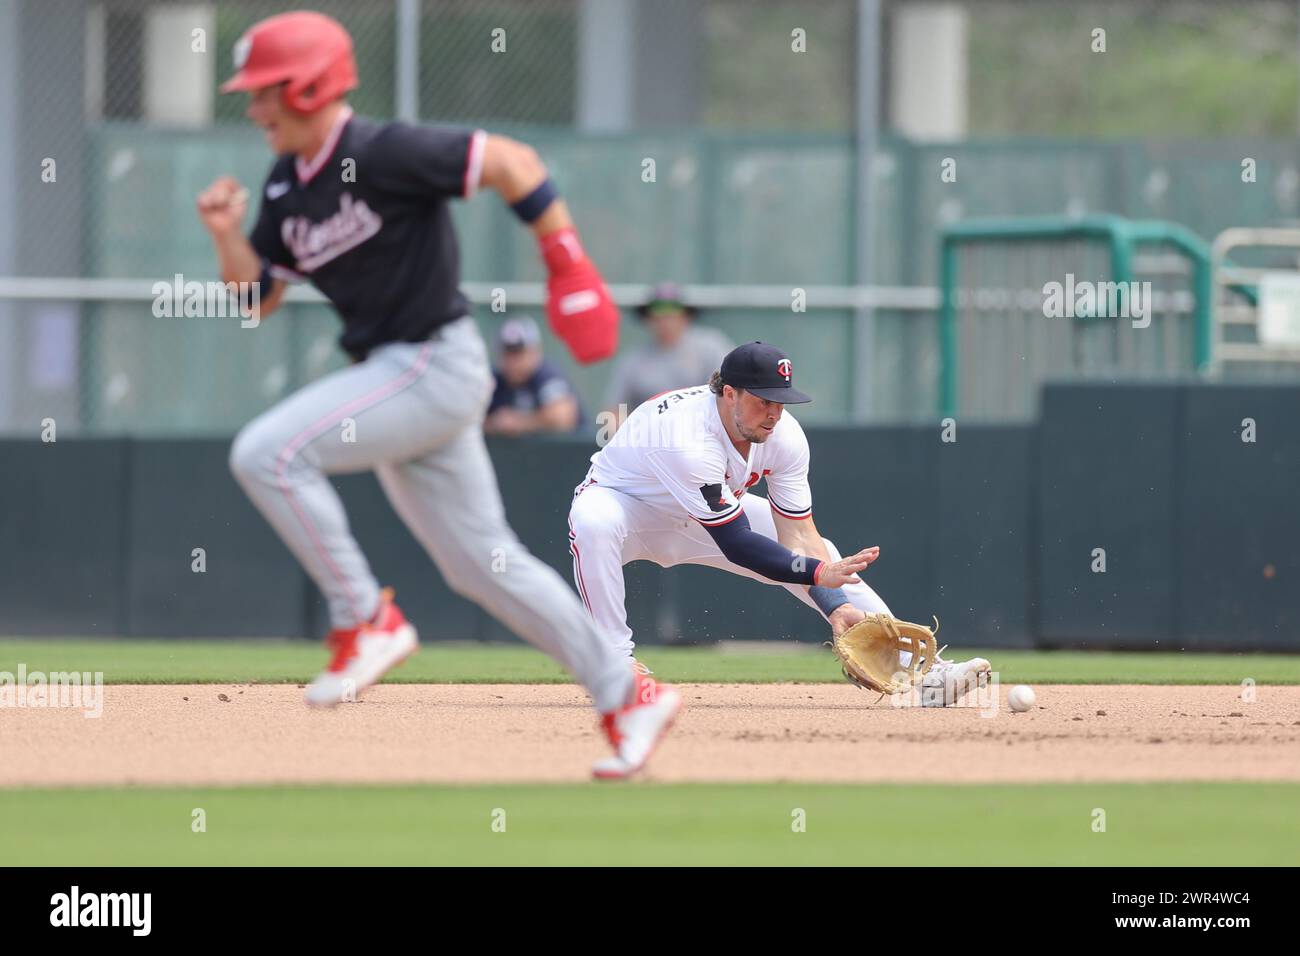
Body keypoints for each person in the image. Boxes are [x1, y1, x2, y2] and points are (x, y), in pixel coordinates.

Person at [195, 10, 677, 779]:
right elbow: (255, 296)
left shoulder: (380, 151)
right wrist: (225, 231)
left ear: (313, 87)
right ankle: (628, 692)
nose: (254, 109)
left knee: (267, 453)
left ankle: (364, 618)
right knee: (485, 566)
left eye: (266, 93)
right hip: (405, 379)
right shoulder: (288, 183)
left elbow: (511, 162)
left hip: (434, 362)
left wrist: (568, 263)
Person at [568, 341, 992, 705]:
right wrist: (818, 574)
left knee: (827, 552)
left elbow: (798, 538)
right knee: (594, 523)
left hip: (706, 515)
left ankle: (927, 676)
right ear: (729, 394)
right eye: (763, 401)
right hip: (629, 507)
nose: (774, 413)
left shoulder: (783, 437)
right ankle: (613, 667)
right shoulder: (685, 438)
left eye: (780, 401)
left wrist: (836, 604)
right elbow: (737, 545)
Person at [601, 281, 733, 421]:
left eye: (672, 313)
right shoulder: (633, 362)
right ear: (648, 319)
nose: (665, 321)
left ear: (686, 317)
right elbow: (612, 412)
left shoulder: (711, 347)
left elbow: (731, 393)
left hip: (705, 431)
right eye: (658, 315)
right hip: (652, 438)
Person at [484, 316, 583, 436]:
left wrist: (519, 422)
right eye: (508, 353)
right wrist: (494, 424)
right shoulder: (495, 379)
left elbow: (562, 417)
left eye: (519, 353)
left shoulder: (546, 375)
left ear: (535, 352)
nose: (513, 361)